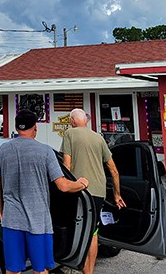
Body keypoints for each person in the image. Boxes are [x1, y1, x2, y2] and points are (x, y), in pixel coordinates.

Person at [0, 109, 90, 274]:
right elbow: (63, 186)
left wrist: (2, 213)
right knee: (41, 269)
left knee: (12, 270)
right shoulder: (45, 151)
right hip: (38, 222)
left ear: (17, 128)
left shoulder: (3, 150)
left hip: (11, 220)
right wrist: (81, 184)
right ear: (35, 127)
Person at [61, 108, 126, 274]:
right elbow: (113, 169)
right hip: (98, 193)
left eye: (70, 120)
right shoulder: (99, 138)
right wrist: (117, 195)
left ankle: (71, 263)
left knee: (75, 227)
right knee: (93, 232)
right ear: (86, 121)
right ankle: (88, 272)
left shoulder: (70, 134)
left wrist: (63, 187)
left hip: (79, 192)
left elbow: (66, 166)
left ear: (73, 121)